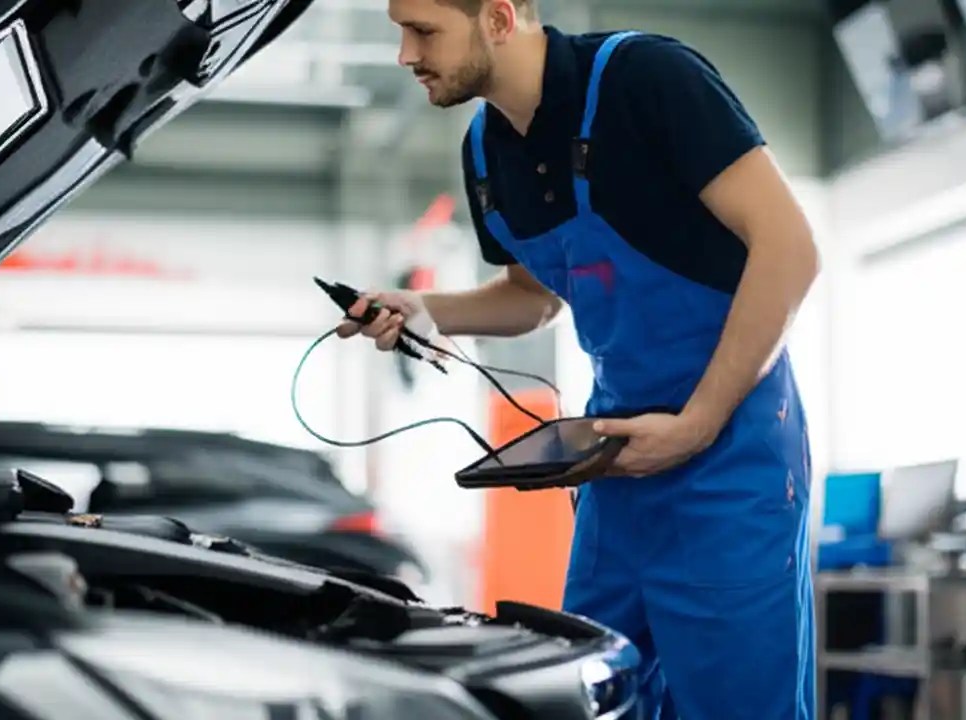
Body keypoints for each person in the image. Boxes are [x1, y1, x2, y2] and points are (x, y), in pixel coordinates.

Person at [338, 0, 821, 717]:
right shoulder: (485, 151)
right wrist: (428, 308)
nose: (406, 55)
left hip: (731, 466)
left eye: (423, 31)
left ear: (499, 18)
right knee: (595, 696)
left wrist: (696, 425)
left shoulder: (648, 80)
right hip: (615, 468)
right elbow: (533, 297)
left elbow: (790, 249)